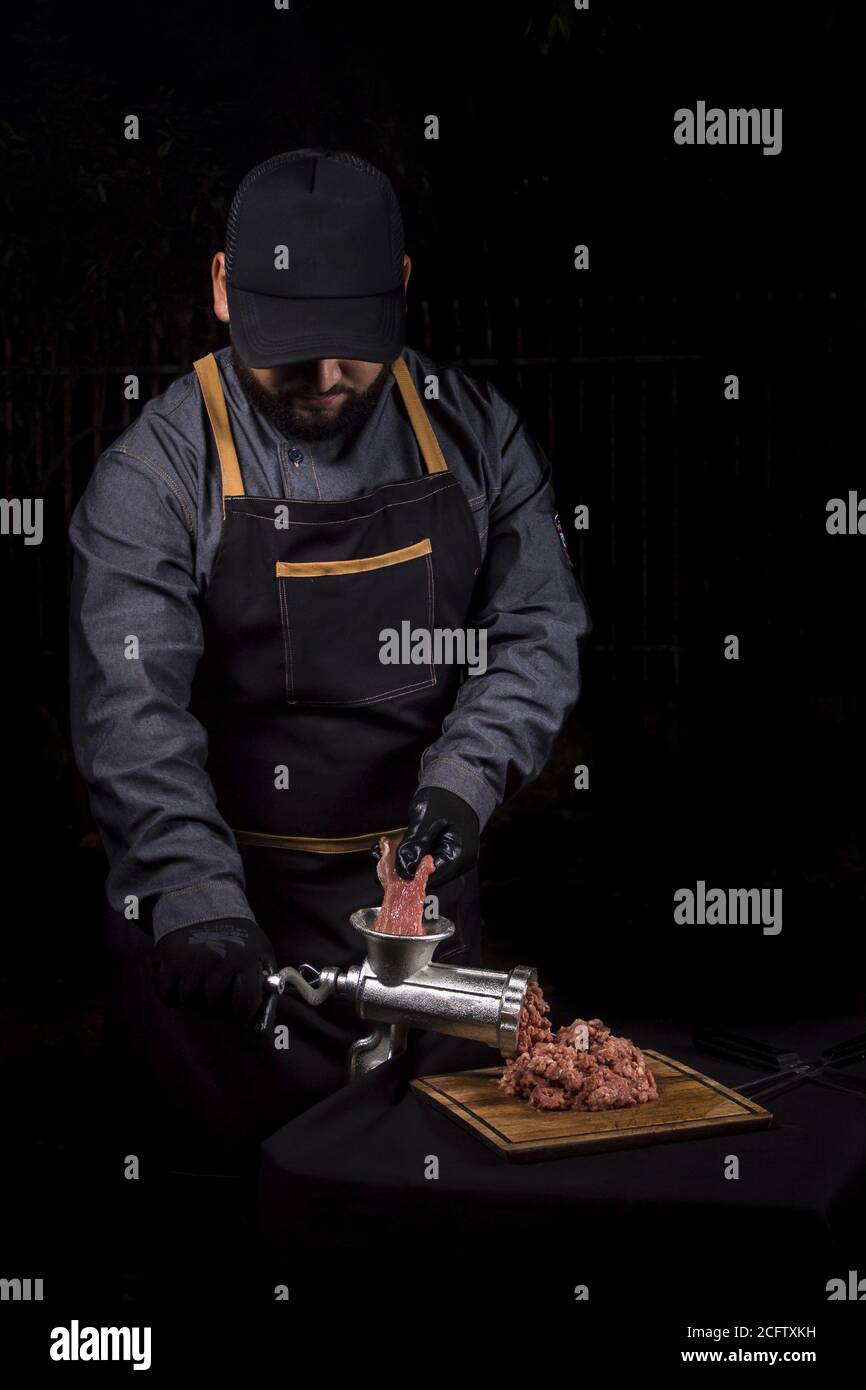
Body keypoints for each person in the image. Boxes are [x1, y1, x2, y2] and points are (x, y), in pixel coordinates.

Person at [68, 147, 591, 1174]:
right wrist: (194, 897)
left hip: (424, 933)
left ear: (397, 290)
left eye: (348, 345)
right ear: (223, 289)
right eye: (290, 349)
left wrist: (461, 781)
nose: (321, 379)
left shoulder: (476, 437)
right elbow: (133, 710)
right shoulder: (153, 475)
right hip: (227, 948)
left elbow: (535, 629)